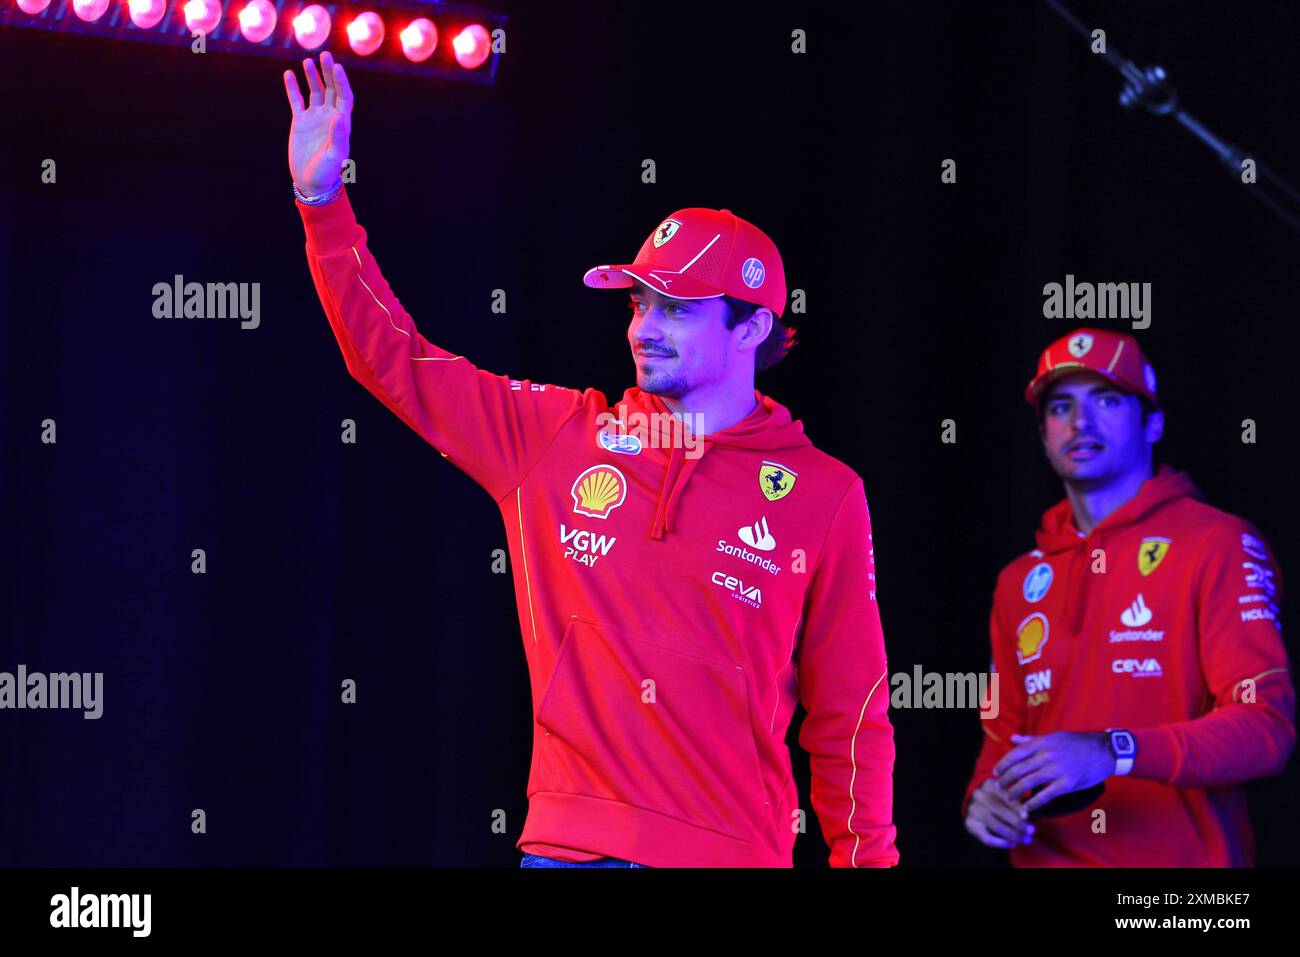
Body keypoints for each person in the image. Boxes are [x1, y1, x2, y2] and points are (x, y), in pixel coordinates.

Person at [283, 52, 897, 867]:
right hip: (569, 852)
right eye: (641, 301)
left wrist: (869, 861)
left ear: (752, 329)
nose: (645, 325)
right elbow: (390, 358)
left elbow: (850, 712)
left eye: (677, 307)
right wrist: (322, 203)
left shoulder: (824, 494)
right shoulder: (556, 438)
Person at [962, 327, 1295, 866]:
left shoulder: (1219, 544)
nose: (1080, 423)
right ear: (1044, 433)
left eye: (1108, 399)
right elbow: (1005, 739)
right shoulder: (1018, 580)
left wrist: (1113, 750)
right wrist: (983, 796)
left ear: (1153, 422)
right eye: (1061, 406)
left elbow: (1268, 728)